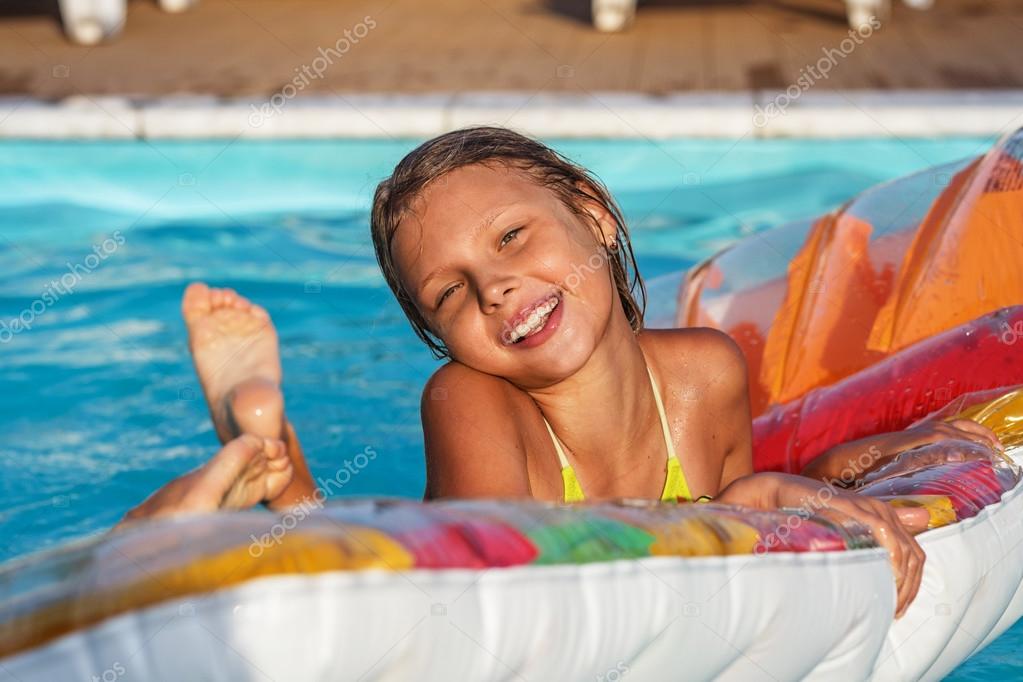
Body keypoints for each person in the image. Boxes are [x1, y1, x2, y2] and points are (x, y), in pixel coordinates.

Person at [129, 127, 1003, 618]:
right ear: (441, 339)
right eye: (451, 293)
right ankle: (268, 469)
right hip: (441, 601)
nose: (496, 285)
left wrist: (849, 465)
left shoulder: (704, 372)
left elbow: (740, 504)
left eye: (511, 238)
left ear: (592, 214)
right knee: (340, 566)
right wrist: (756, 497)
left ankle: (277, 465)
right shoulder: (471, 401)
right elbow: (484, 589)